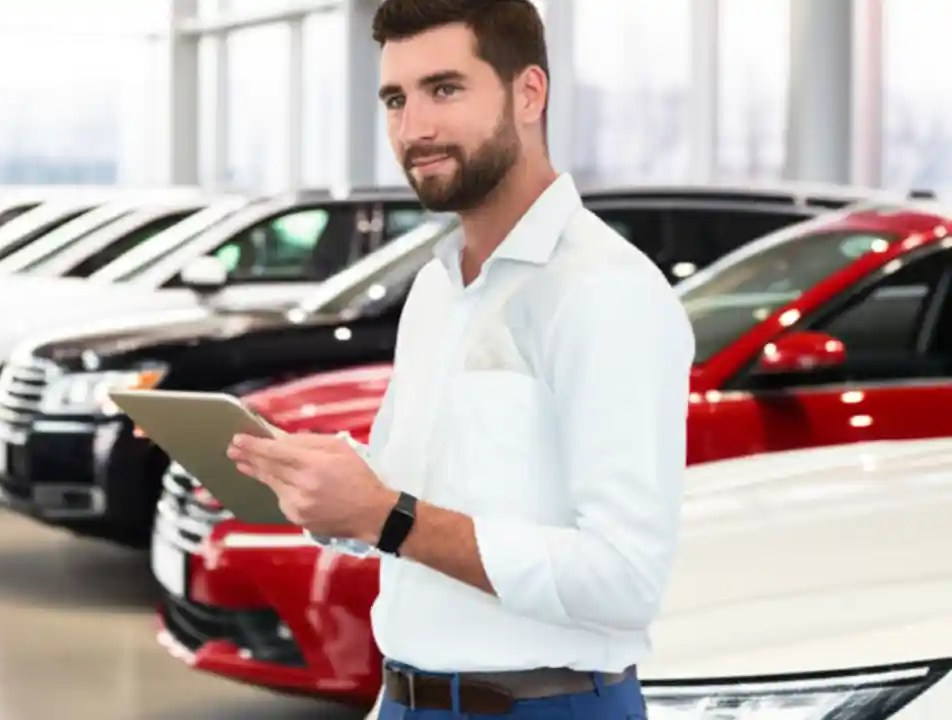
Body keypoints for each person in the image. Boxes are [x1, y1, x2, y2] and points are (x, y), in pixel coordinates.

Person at [227, 0, 694, 717]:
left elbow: (625, 579)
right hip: (408, 697)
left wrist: (386, 516)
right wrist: (328, 491)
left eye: (444, 90)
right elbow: (407, 497)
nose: (414, 129)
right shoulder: (438, 286)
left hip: (548, 706)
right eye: (395, 99)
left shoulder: (606, 291)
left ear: (528, 92)